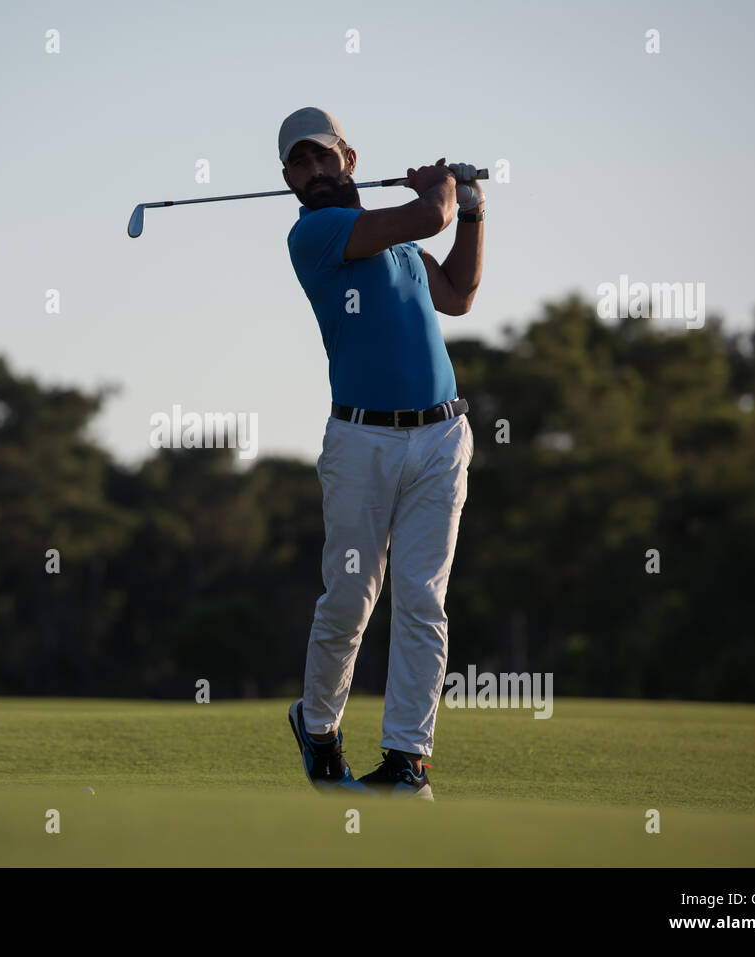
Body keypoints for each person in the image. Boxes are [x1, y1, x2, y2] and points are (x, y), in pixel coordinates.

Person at [279, 107, 484, 800]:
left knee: (423, 599)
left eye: (322, 159)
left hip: (441, 435)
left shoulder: (395, 245)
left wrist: (473, 211)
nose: (312, 173)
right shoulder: (318, 234)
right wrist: (439, 192)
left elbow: (456, 294)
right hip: (361, 440)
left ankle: (407, 761)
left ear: (350, 158)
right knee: (352, 597)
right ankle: (319, 725)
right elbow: (426, 218)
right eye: (298, 166)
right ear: (289, 181)